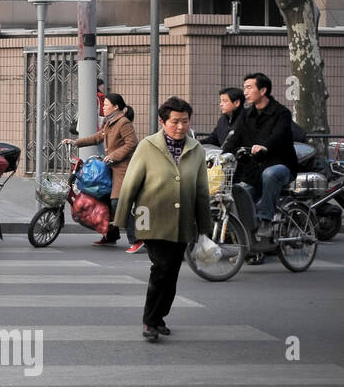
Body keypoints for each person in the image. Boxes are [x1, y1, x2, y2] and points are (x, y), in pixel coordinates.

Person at [114, 96, 211, 342]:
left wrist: (204, 227)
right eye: (175, 122)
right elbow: (131, 183)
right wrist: (122, 218)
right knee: (161, 267)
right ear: (162, 121)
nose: (180, 127)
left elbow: (201, 189)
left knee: (173, 271)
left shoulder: (196, 150)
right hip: (151, 218)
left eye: (185, 121)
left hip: (183, 221)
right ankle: (150, 320)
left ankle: (159, 318)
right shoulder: (147, 146)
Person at [221, 72, 297, 238]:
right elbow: (234, 138)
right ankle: (250, 244)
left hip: (281, 165)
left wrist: (264, 147)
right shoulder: (246, 115)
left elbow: (279, 135)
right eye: (244, 88)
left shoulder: (281, 113)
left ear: (262, 91)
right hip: (255, 170)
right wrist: (222, 155)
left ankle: (266, 221)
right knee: (239, 192)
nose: (245, 92)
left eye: (249, 87)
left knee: (270, 174)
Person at [63, 92, 140, 251]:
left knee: (117, 202)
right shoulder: (110, 122)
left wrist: (113, 156)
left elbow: (132, 143)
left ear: (116, 107)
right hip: (110, 168)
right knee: (103, 199)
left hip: (122, 169)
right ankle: (111, 236)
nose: (103, 107)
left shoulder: (123, 123)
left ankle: (137, 240)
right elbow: (97, 137)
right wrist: (75, 142)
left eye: (106, 105)